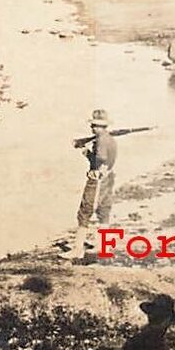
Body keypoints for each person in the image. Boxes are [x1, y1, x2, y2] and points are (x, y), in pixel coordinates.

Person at [74, 109, 118, 258]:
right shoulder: (110, 139)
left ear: (99, 127)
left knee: (84, 212)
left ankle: (77, 250)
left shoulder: (101, 141)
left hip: (98, 179)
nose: (92, 128)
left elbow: (100, 159)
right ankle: (103, 247)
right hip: (108, 177)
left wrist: (87, 153)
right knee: (103, 212)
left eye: (94, 126)